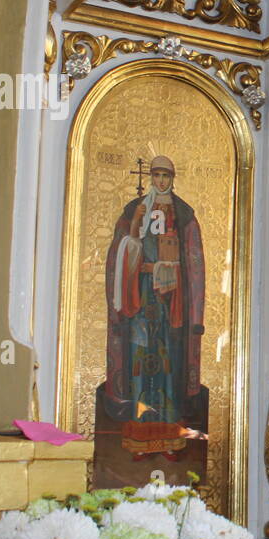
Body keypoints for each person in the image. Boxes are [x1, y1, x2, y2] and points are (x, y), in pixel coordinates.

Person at [101, 155, 206, 461]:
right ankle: (140, 438)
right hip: (139, 299)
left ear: (172, 178)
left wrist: (170, 273)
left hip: (171, 305)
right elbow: (119, 254)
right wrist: (136, 234)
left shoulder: (184, 215)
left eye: (166, 176)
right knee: (139, 366)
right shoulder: (134, 210)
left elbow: (194, 262)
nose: (161, 181)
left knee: (168, 370)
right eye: (157, 175)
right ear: (150, 177)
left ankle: (170, 439)